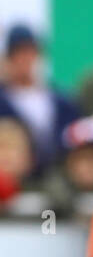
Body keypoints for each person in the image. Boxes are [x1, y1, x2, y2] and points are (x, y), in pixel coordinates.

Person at [0, 24, 81, 175]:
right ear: (8, 58)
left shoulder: (62, 100)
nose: (24, 59)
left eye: (30, 52)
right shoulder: (3, 101)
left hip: (60, 176)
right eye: (18, 53)